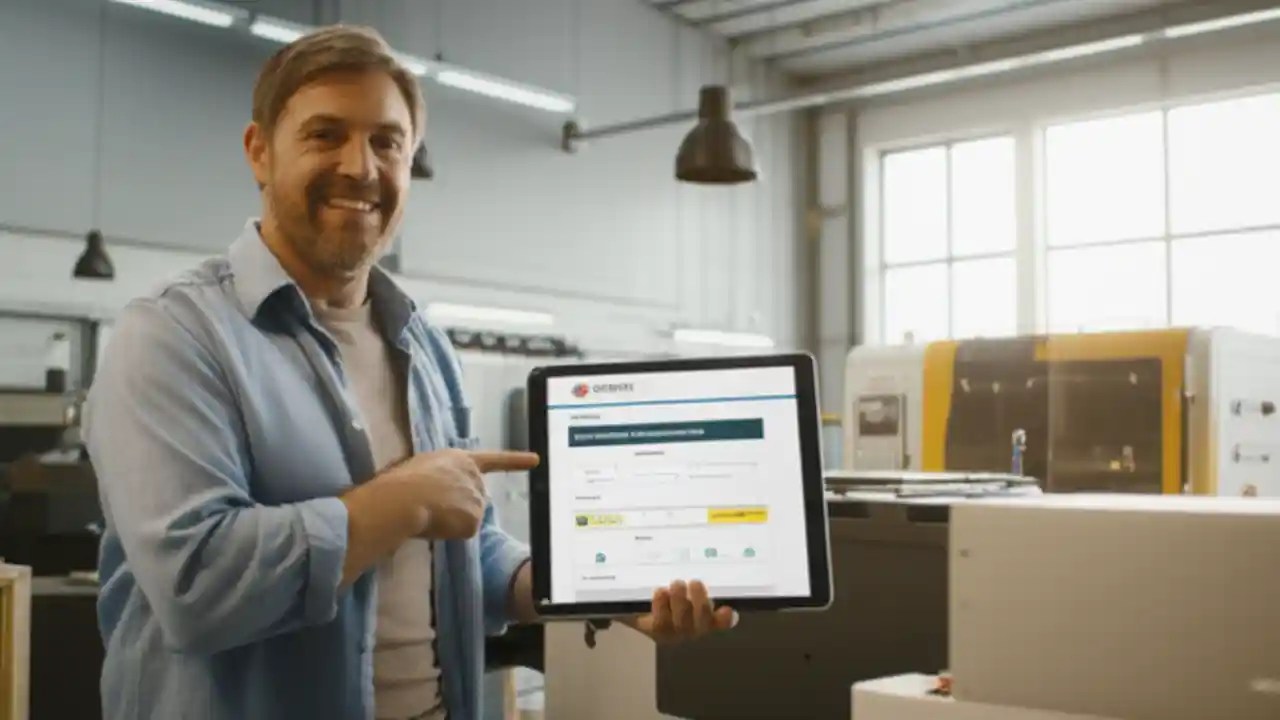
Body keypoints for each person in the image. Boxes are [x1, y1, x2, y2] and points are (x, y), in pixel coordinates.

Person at [84, 25, 735, 720]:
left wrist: (584, 585)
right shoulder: (173, 335)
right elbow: (196, 586)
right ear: (259, 153)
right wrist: (398, 503)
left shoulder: (422, 345)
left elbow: (457, 546)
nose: (361, 167)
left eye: (387, 142)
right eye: (325, 135)